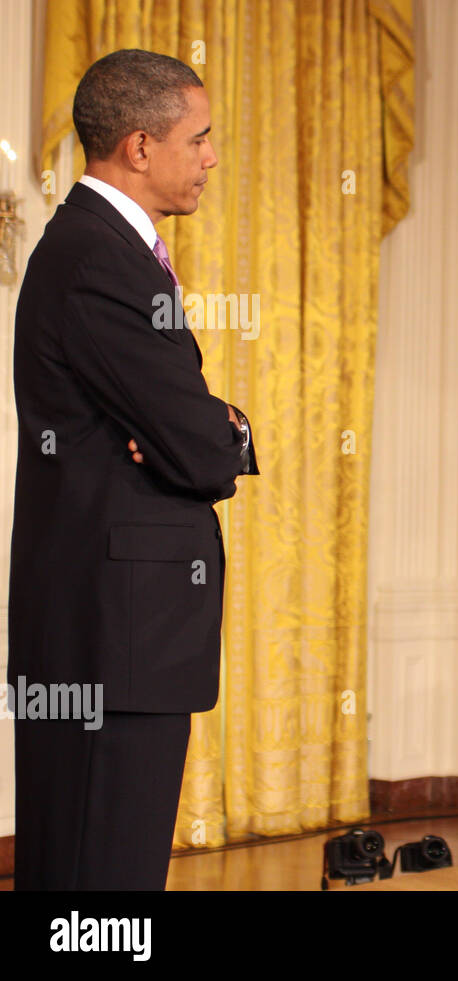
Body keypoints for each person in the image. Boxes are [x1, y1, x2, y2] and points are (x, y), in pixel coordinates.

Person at [9, 48, 257, 890]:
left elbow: (187, 429)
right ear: (141, 146)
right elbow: (197, 441)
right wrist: (214, 430)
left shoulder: (108, 248)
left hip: (119, 636)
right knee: (98, 880)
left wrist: (213, 424)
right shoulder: (95, 258)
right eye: (202, 137)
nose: (212, 157)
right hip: (107, 639)